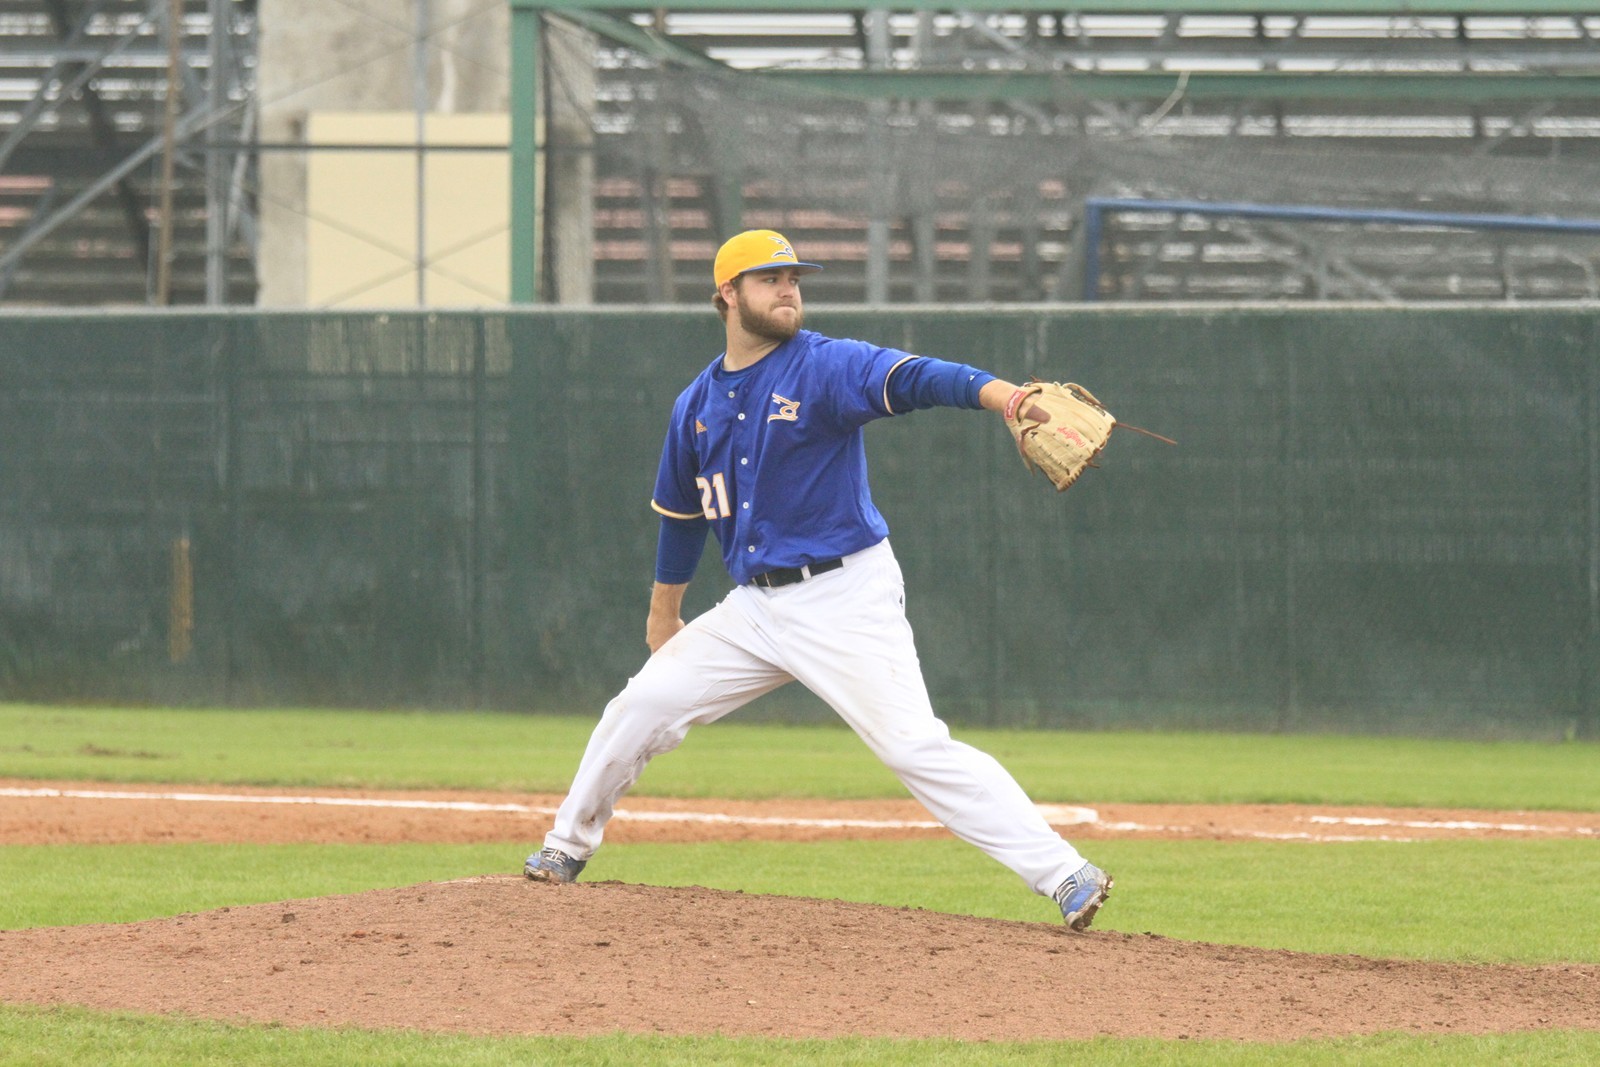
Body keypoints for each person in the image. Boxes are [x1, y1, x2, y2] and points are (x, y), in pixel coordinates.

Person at [524, 229, 1113, 930]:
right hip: (753, 607)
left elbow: (918, 376)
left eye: (794, 279)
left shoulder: (825, 365)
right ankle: (564, 847)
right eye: (770, 279)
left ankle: (1065, 873)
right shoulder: (695, 405)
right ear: (727, 294)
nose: (788, 290)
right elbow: (682, 518)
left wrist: (1005, 398)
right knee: (640, 704)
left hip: (844, 595)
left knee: (912, 745)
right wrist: (664, 616)